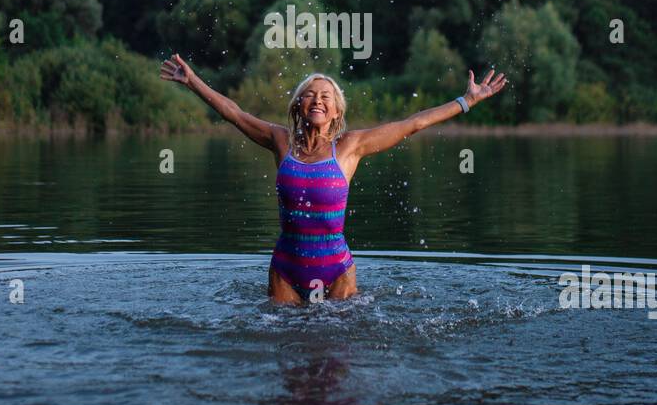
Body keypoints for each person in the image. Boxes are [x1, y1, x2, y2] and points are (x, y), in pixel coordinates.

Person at [158, 54, 508, 304]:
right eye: (309, 94)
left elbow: (411, 124)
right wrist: (192, 82)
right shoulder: (280, 141)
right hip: (285, 270)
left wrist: (466, 100)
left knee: (337, 357)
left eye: (326, 96)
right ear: (298, 105)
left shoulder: (350, 147)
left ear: (336, 110)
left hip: (337, 269)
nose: (317, 100)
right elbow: (234, 113)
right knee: (286, 357)